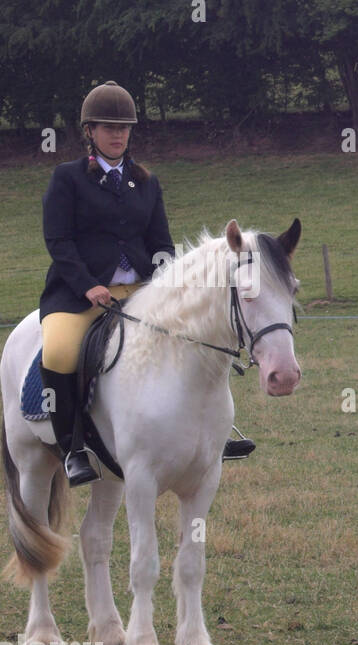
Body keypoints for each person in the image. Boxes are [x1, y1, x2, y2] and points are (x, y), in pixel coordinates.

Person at [40, 80, 252, 486]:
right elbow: (59, 242)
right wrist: (88, 285)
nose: (117, 135)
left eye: (123, 128)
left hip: (141, 292)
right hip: (80, 294)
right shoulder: (66, 179)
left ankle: (214, 435)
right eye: (108, 127)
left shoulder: (146, 182)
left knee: (194, 338)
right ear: (90, 131)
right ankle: (73, 449)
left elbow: (159, 245)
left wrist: (170, 288)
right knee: (60, 352)